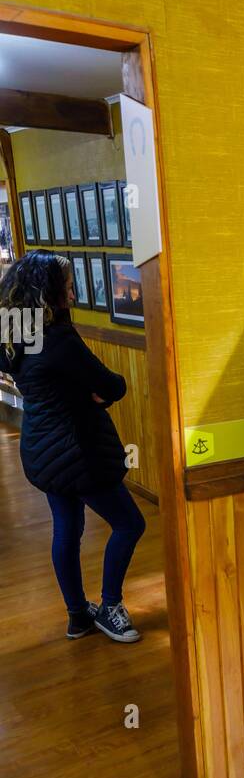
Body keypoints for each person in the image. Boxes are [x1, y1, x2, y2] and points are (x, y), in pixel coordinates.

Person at [0, 250, 145, 642]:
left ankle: (78, 615)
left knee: (67, 530)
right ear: (48, 294)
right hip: (79, 452)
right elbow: (114, 385)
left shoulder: (17, 332)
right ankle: (110, 607)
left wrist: (80, 389)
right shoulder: (59, 338)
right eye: (67, 288)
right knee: (131, 524)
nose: (74, 296)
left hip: (42, 451)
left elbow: (48, 382)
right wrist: (92, 392)